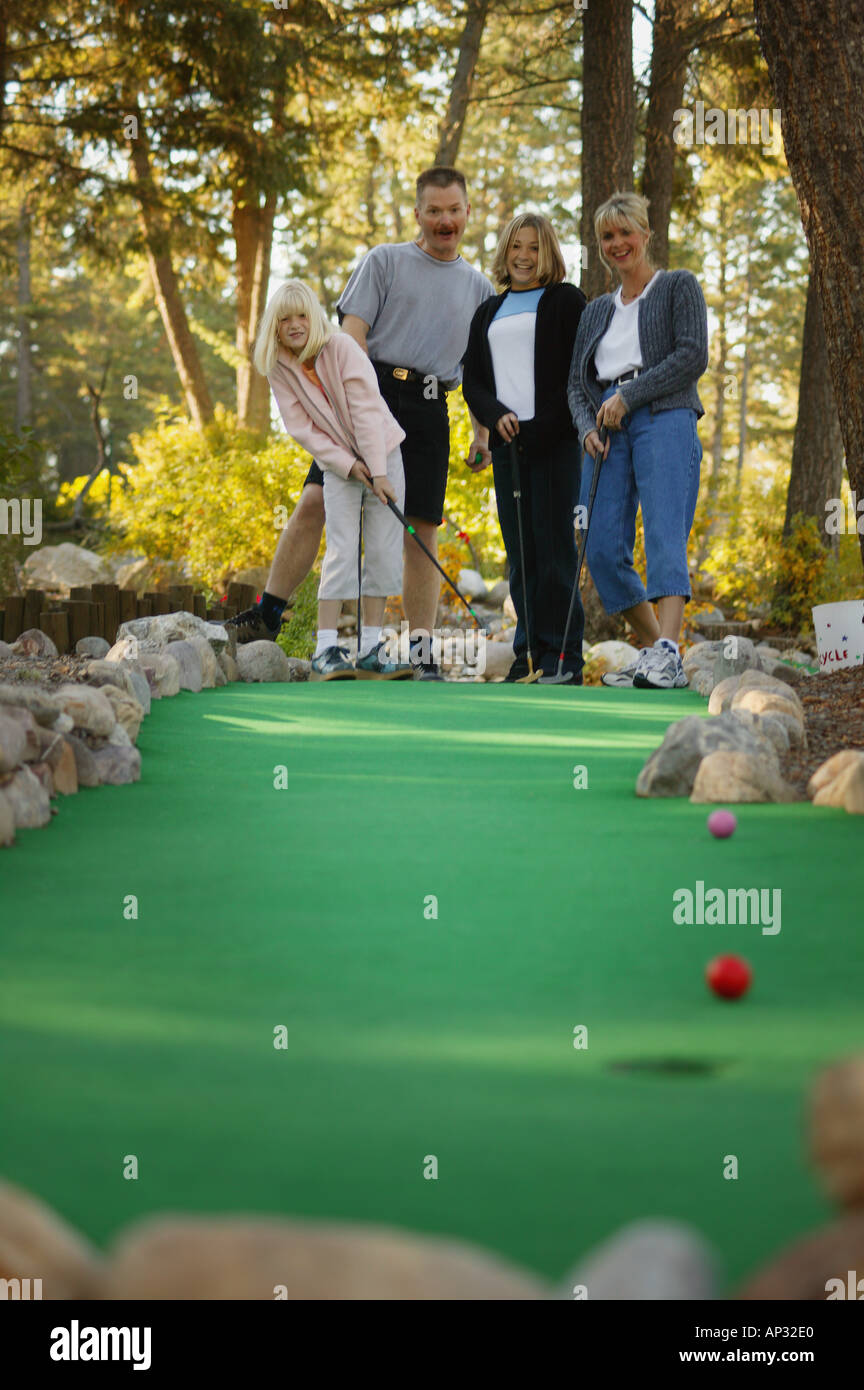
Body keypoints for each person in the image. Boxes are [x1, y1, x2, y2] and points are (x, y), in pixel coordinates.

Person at [230, 167, 495, 680]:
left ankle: (419, 648)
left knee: (420, 524)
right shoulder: (385, 262)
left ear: (467, 213)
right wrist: (348, 421)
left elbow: (478, 369)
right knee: (315, 501)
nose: (445, 220)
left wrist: (481, 433)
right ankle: (269, 613)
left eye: (454, 210)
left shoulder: (480, 288)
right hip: (366, 396)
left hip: (430, 406)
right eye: (434, 211)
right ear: (417, 214)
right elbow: (349, 342)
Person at [567, 191, 709, 689]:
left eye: (626, 232)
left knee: (666, 535)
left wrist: (631, 396)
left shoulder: (677, 287)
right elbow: (576, 383)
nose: (617, 243)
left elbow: (692, 356)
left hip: (665, 414)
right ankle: (657, 649)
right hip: (607, 428)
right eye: (608, 236)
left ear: (647, 234)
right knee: (600, 545)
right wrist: (586, 426)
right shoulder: (595, 311)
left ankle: (668, 651)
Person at [253, 280, 413, 680]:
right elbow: (302, 428)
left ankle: (372, 648)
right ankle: (326, 648)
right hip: (338, 467)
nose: (294, 325)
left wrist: (376, 470)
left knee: (381, 548)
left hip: (384, 455)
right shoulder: (278, 366)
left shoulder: (342, 348)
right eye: (285, 318)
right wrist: (347, 465)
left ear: (315, 317)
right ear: (274, 325)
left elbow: (365, 409)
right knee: (342, 547)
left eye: (302, 315)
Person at [461, 214, 587, 682]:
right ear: (505, 251)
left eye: (534, 247)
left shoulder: (565, 301)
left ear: (548, 252)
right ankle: (527, 656)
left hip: (553, 444)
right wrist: (496, 418)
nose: (523, 256)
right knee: (521, 554)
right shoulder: (488, 311)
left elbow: (577, 374)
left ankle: (564, 658)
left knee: (555, 551)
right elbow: (471, 378)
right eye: (516, 246)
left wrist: (536, 427)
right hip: (509, 447)